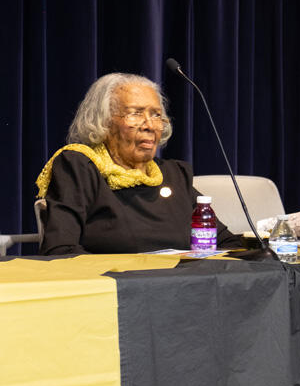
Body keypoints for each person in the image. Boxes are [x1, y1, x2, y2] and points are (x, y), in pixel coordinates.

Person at [36, 73, 241, 254]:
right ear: (104, 121)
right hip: (117, 283)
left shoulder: (173, 175)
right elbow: (60, 249)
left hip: (184, 282)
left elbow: (226, 242)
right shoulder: (81, 167)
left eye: (156, 115)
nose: (150, 125)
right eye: (135, 113)